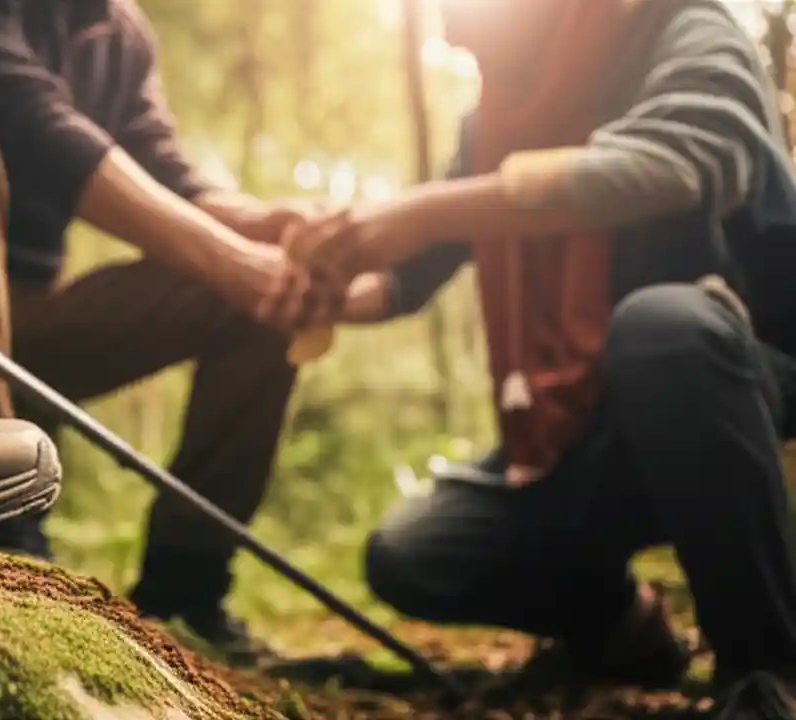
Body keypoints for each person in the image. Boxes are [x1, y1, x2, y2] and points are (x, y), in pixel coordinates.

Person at [271, 0, 796, 715]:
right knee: (414, 554)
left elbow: (676, 164)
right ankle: (624, 630)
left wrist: (416, 212)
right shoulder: (495, 118)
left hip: (734, 391)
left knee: (662, 327)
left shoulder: (683, 30)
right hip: (585, 427)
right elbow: (414, 270)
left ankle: (765, 671)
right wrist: (335, 293)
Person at [0, 0, 359, 660]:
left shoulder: (117, 32)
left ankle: (187, 589)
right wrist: (234, 259)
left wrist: (271, 228)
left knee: (267, 294)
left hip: (14, 331)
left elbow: (169, 181)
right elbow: (35, 122)